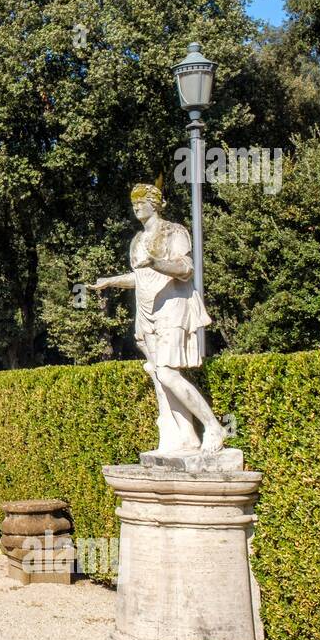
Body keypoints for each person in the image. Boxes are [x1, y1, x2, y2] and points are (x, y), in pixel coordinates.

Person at [89, 178, 226, 454]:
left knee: (166, 372)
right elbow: (141, 276)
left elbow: (185, 268)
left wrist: (157, 262)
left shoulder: (174, 231)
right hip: (147, 311)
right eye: (134, 203)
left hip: (173, 307)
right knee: (159, 378)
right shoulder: (138, 240)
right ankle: (185, 436)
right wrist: (111, 281)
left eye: (141, 202)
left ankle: (213, 425)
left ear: (154, 204)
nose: (137, 207)